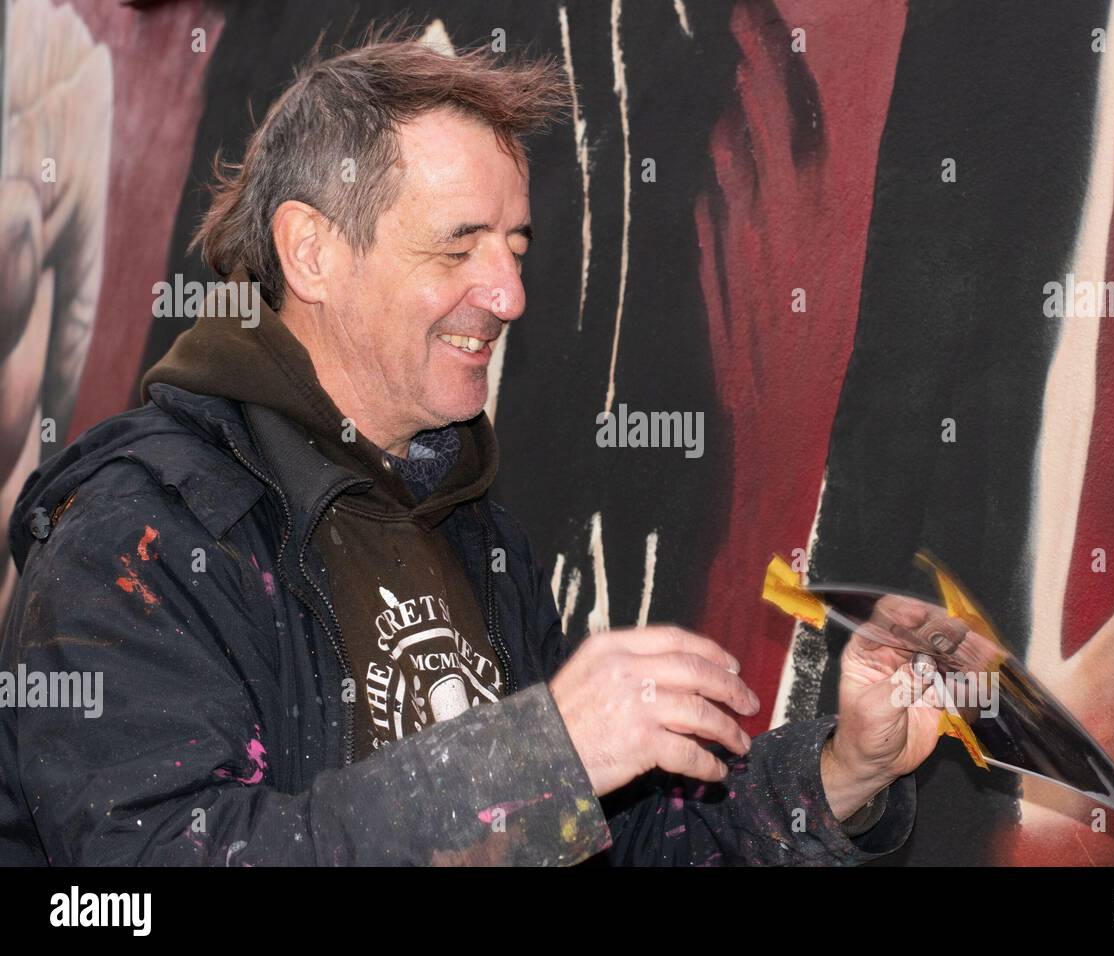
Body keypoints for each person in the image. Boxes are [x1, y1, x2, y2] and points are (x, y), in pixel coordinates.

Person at [0, 33, 947, 866]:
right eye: (458, 250)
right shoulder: (135, 535)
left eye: (515, 248)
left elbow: (621, 843)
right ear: (311, 253)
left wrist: (838, 774)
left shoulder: (473, 530)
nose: (508, 295)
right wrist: (531, 764)